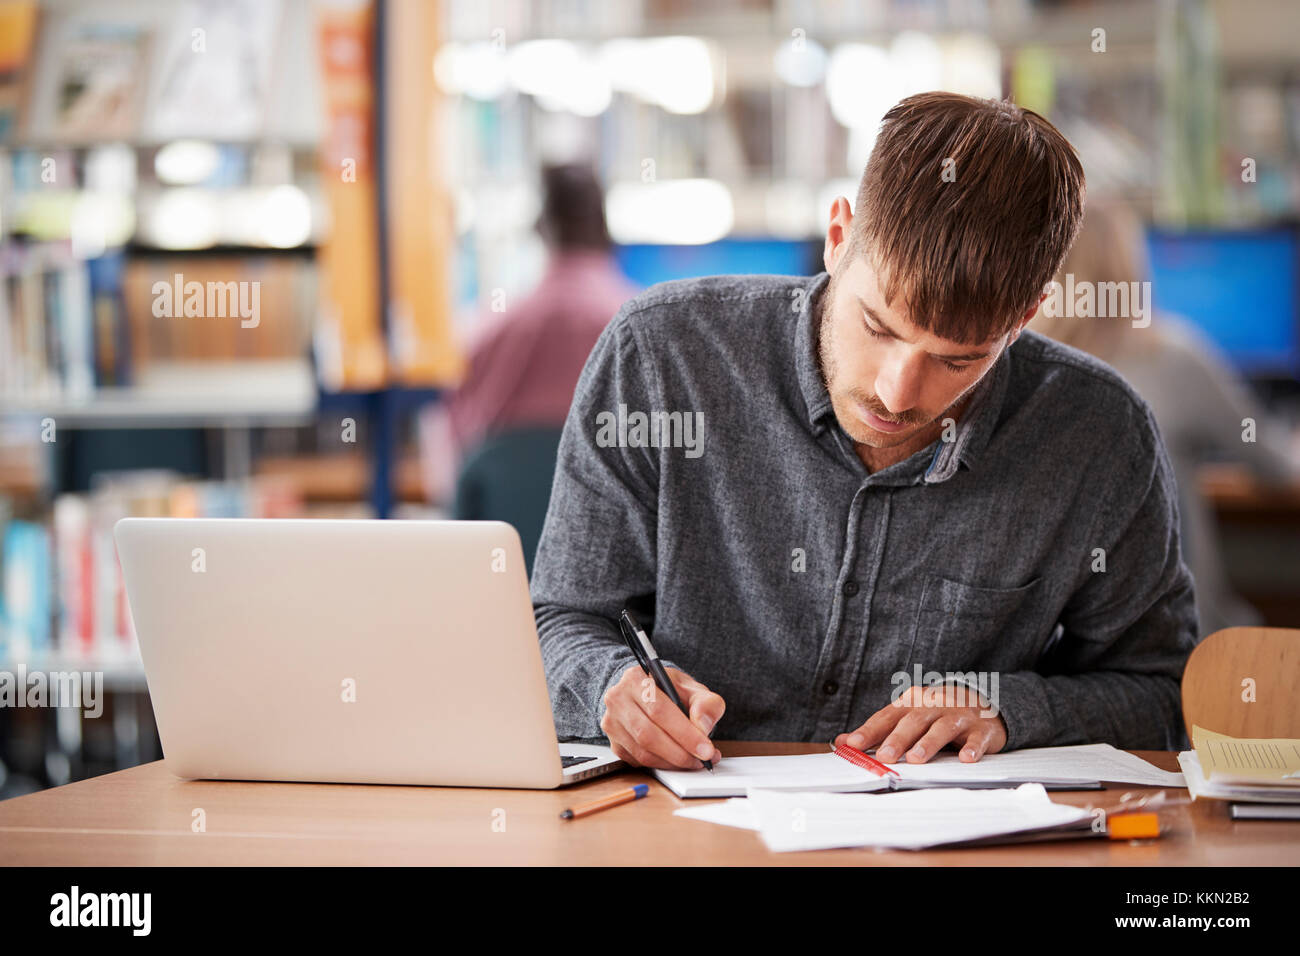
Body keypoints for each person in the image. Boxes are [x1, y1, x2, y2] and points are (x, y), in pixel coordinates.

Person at [532, 92, 1199, 771]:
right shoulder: (662, 356)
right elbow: (559, 620)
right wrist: (612, 689)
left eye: (956, 359)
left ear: (1025, 316)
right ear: (838, 236)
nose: (895, 392)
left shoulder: (1099, 434)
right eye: (877, 327)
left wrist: (1009, 709)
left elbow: (1158, 694)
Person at [1030, 200, 1300, 638]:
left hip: (1057, 653)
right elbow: (1277, 467)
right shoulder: (1174, 357)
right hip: (1186, 649)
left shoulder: (1014, 368)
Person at [418, 163, 638, 503]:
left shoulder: (485, 334)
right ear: (606, 230)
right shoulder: (648, 333)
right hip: (618, 550)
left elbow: (446, 477)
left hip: (502, 545)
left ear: (540, 229)